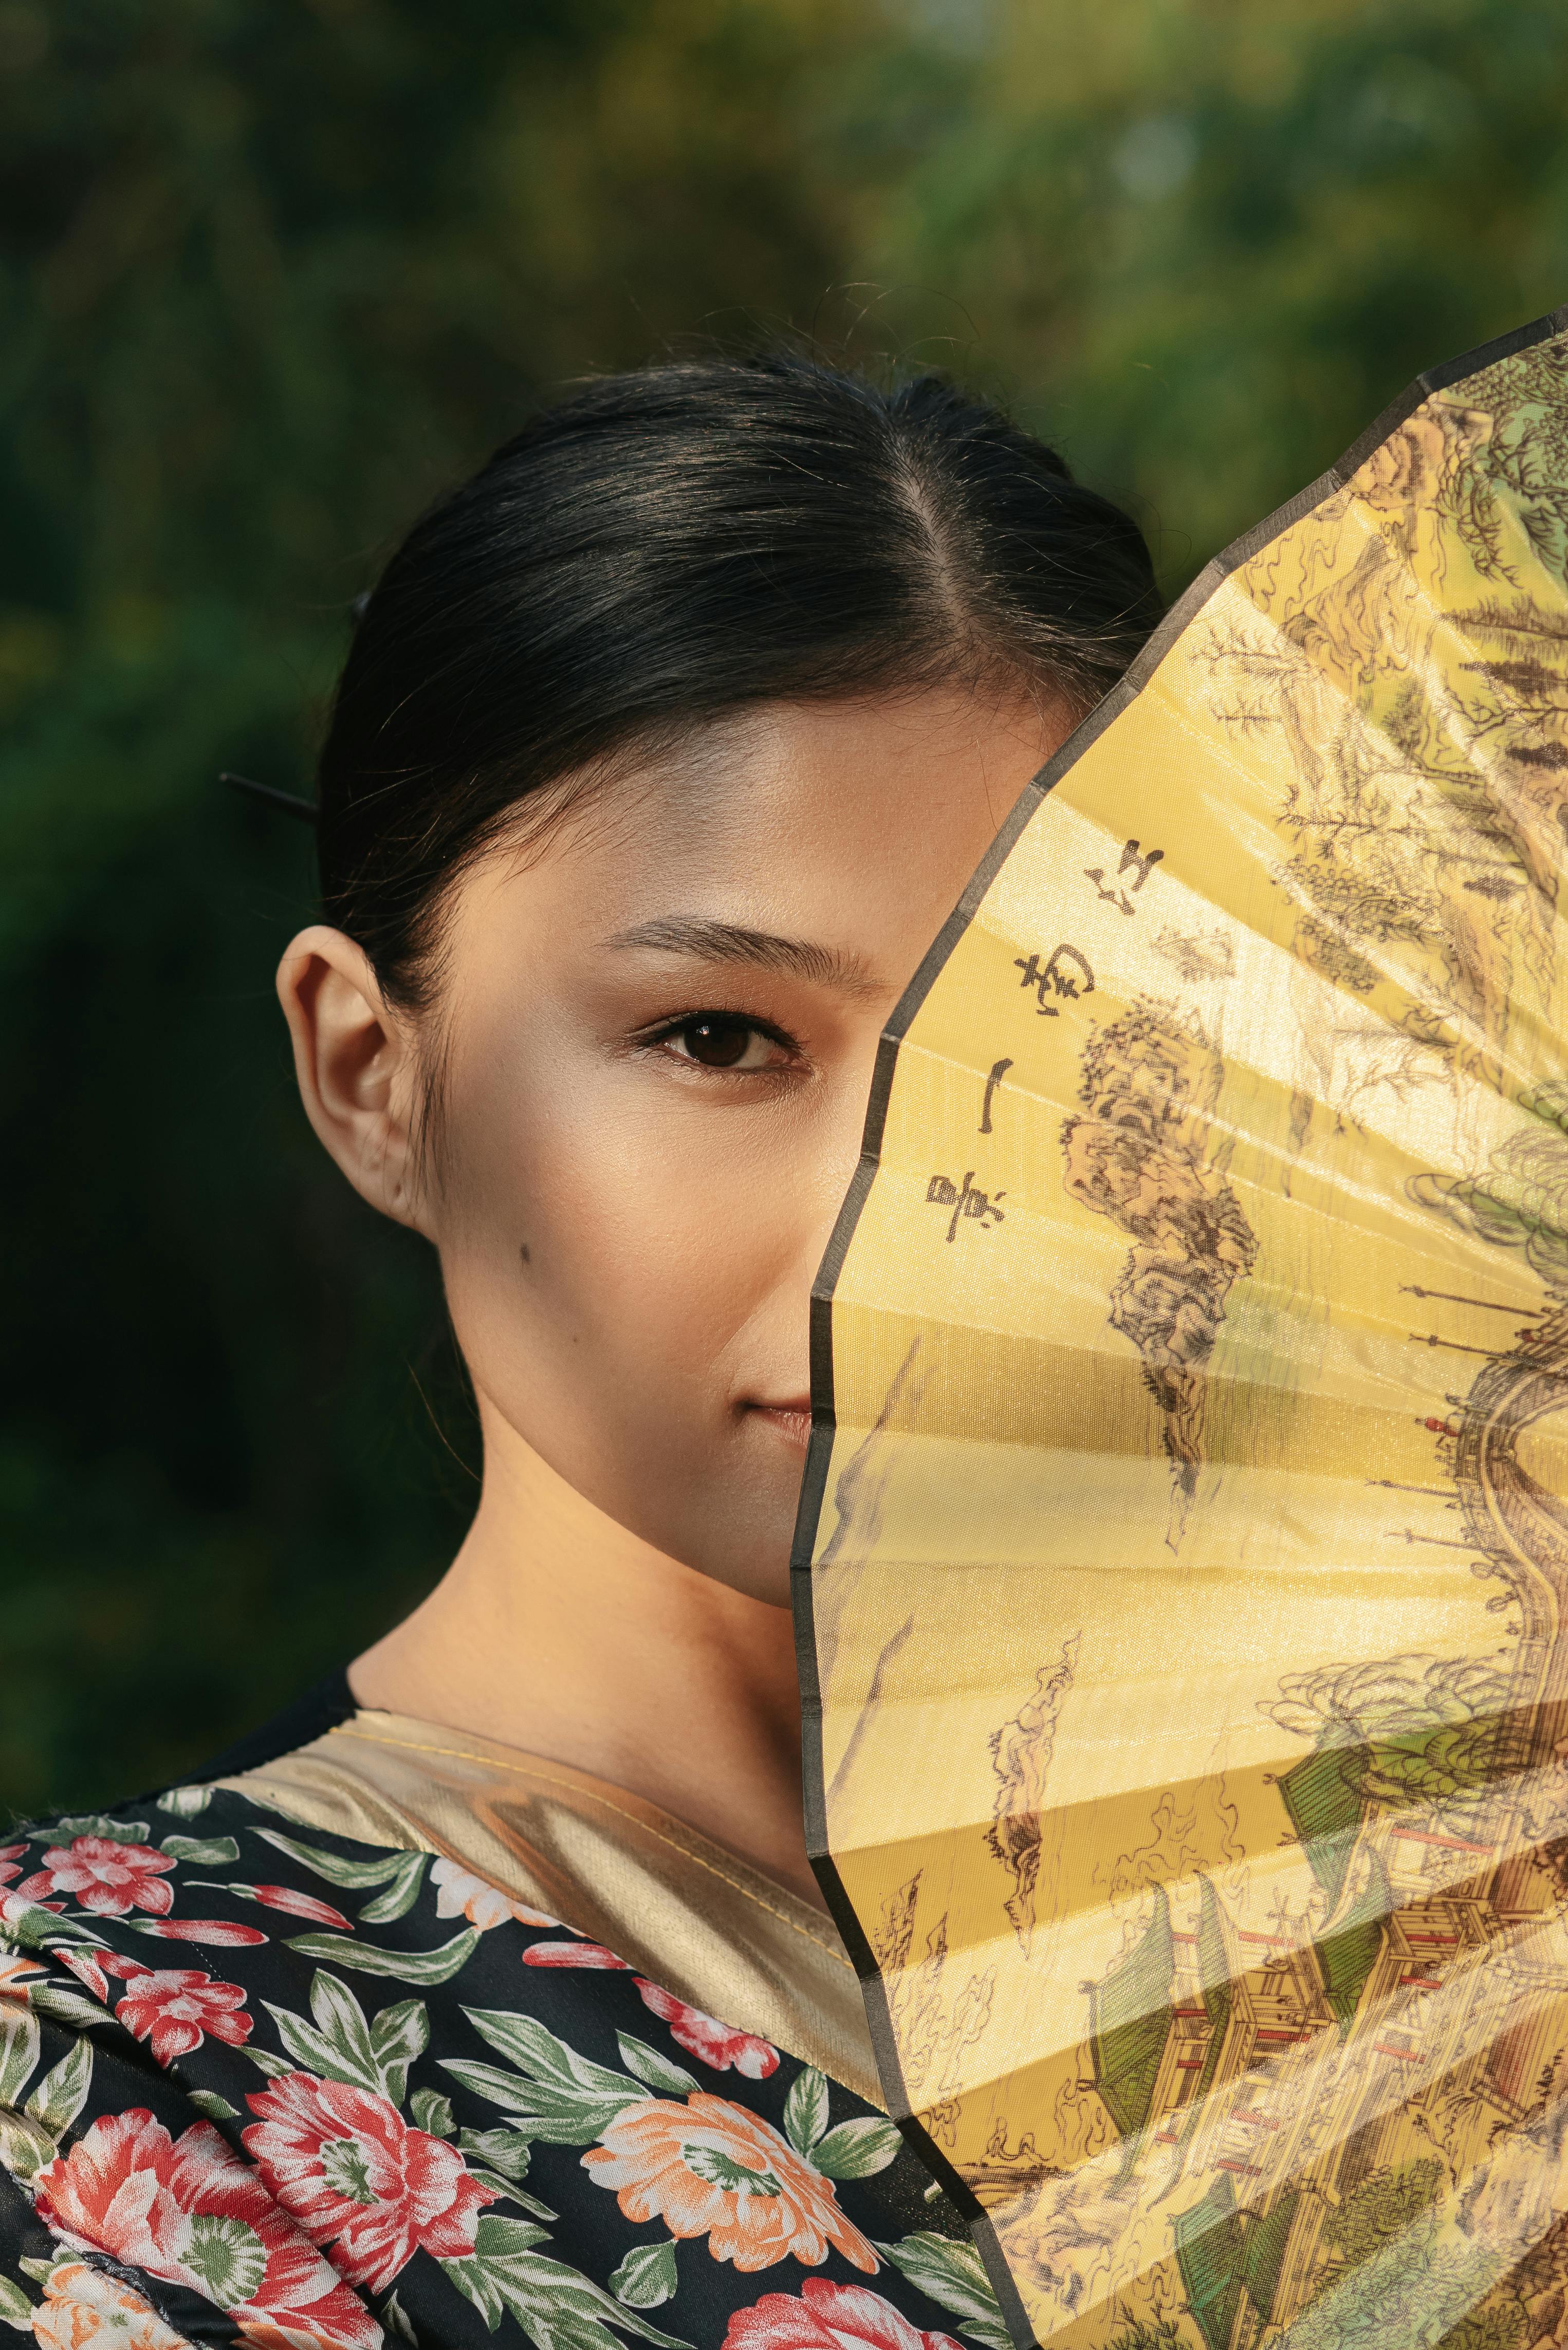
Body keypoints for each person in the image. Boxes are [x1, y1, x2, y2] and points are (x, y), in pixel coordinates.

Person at [0, 353, 1159, 2350]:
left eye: (1040, 1063)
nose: (904, 1233)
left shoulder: (1414, 1939)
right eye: (720, 1039)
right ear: (374, 1075)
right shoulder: (104, 2066)